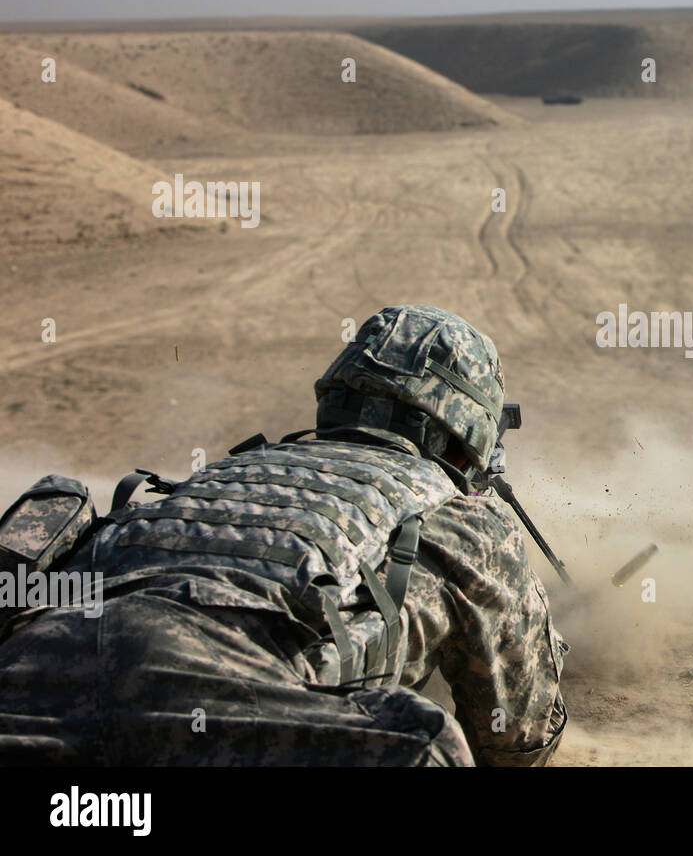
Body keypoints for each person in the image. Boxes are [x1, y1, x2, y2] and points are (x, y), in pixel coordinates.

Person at [0, 305, 567, 766]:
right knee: (425, 747)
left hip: (30, 680)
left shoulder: (230, 471)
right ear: (464, 436)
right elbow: (517, 744)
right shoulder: (456, 515)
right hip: (210, 704)